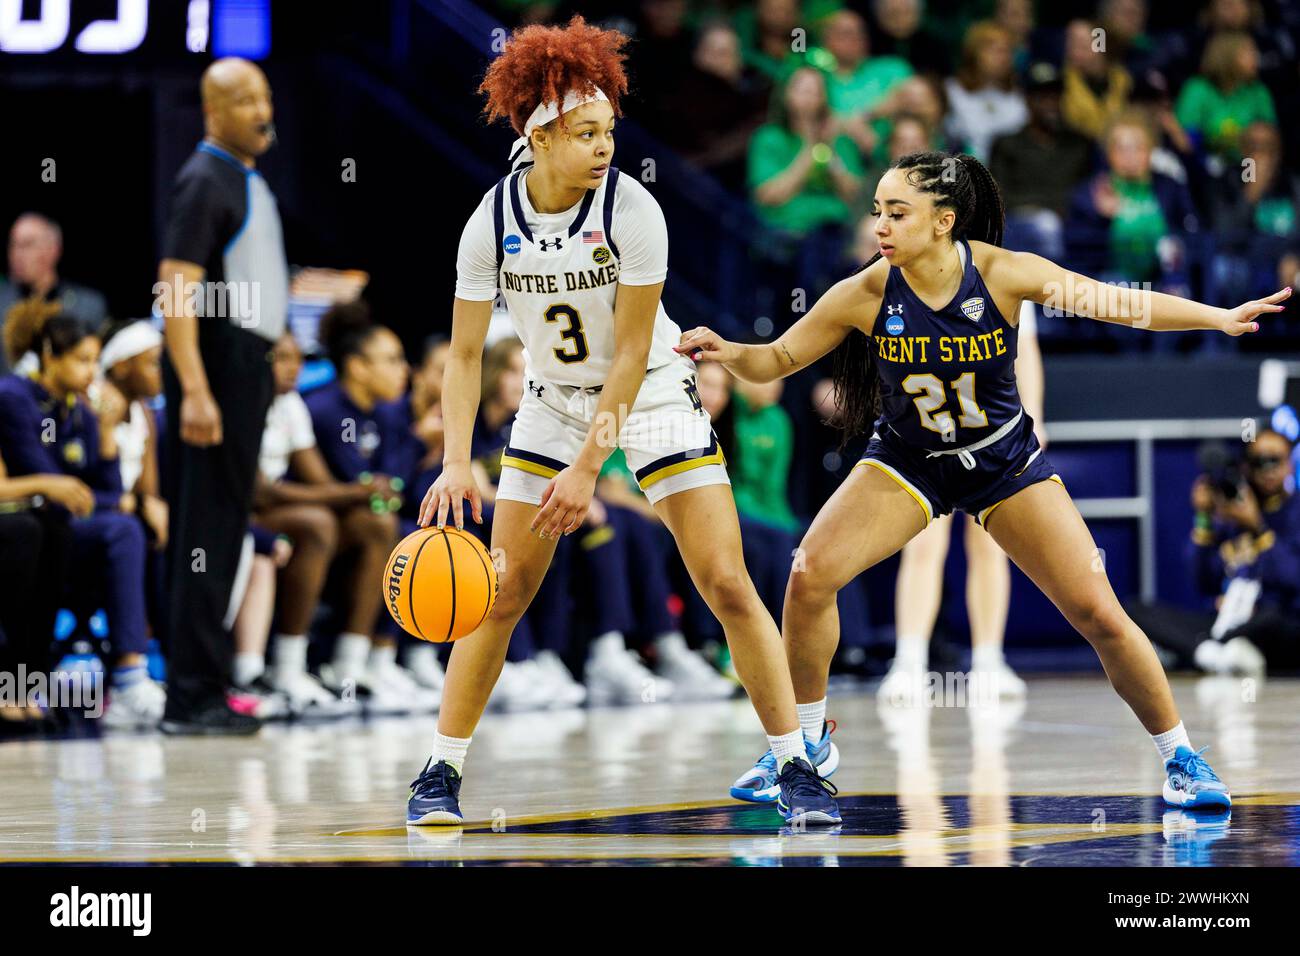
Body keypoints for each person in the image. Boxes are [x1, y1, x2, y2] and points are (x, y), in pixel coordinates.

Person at [678, 149, 1290, 811]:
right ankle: (804, 745)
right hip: (909, 461)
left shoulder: (1004, 274)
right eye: (877, 211)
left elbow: (1119, 305)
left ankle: (1181, 757)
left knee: (1099, 614)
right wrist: (728, 351)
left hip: (1004, 460)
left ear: (944, 221)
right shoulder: (865, 291)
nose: (880, 225)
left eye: (897, 213)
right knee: (809, 573)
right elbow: (777, 360)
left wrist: (1218, 318)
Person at [408, 17, 840, 828]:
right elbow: (464, 358)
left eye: (609, 129)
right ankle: (439, 771)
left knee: (726, 580)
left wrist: (584, 470)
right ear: (539, 136)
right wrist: (457, 460)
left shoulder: (632, 209)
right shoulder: (488, 222)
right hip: (550, 400)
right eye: (585, 132)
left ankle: (797, 764)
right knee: (499, 594)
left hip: (645, 392)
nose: (605, 145)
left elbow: (633, 351)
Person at [156, 58, 287, 734]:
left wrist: (279, 339)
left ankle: (206, 685)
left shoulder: (245, 179)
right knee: (203, 535)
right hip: (215, 367)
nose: (263, 110)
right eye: (245, 101)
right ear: (213, 112)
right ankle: (189, 698)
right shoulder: (204, 178)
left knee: (225, 530)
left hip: (247, 364)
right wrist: (197, 389)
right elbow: (175, 288)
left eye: (265, 96)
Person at [0, 304, 165, 728]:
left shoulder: (78, 409)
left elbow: (103, 488)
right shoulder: (16, 397)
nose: (92, 372)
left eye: (95, 360)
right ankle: (121, 675)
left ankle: (33, 683)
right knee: (55, 531)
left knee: (124, 530)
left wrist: (107, 432)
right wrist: (106, 501)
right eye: (82, 360)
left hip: (62, 526)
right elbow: (54, 483)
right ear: (51, 354)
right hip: (28, 521)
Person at [876, 297, 1045, 703]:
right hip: (926, 433)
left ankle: (989, 660)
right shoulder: (903, 285)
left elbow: (1027, 356)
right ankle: (908, 661)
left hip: (991, 433)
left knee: (990, 545)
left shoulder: (1002, 277)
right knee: (921, 545)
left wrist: (1035, 416)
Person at [303, 304, 439, 713]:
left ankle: (380, 660)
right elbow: (372, 489)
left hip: (355, 525)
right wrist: (419, 444)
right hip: (321, 527)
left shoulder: (380, 413)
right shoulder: (326, 410)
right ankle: (351, 660)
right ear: (358, 367)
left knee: (420, 537)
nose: (404, 370)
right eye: (392, 360)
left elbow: (390, 487)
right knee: (389, 530)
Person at [1128, 427, 1300, 675]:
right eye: (1259, 461)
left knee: (1272, 618)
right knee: (1135, 610)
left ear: (1289, 464)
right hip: (1228, 621)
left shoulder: (1294, 511)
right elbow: (1203, 581)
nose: (1269, 469)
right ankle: (1213, 654)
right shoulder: (1231, 513)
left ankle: (1195, 652)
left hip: (1276, 623)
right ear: (1246, 467)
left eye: (1276, 460)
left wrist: (1258, 529)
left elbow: (1293, 578)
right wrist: (1204, 519)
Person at [0, 213, 108, 375]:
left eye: (26, 245)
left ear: (53, 250)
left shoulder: (87, 306)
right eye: (13, 245)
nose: (16, 254)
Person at [942, 21, 1026, 163]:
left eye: (1006, 50)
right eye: (994, 50)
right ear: (973, 53)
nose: (1002, 57)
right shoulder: (952, 92)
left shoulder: (1019, 96)